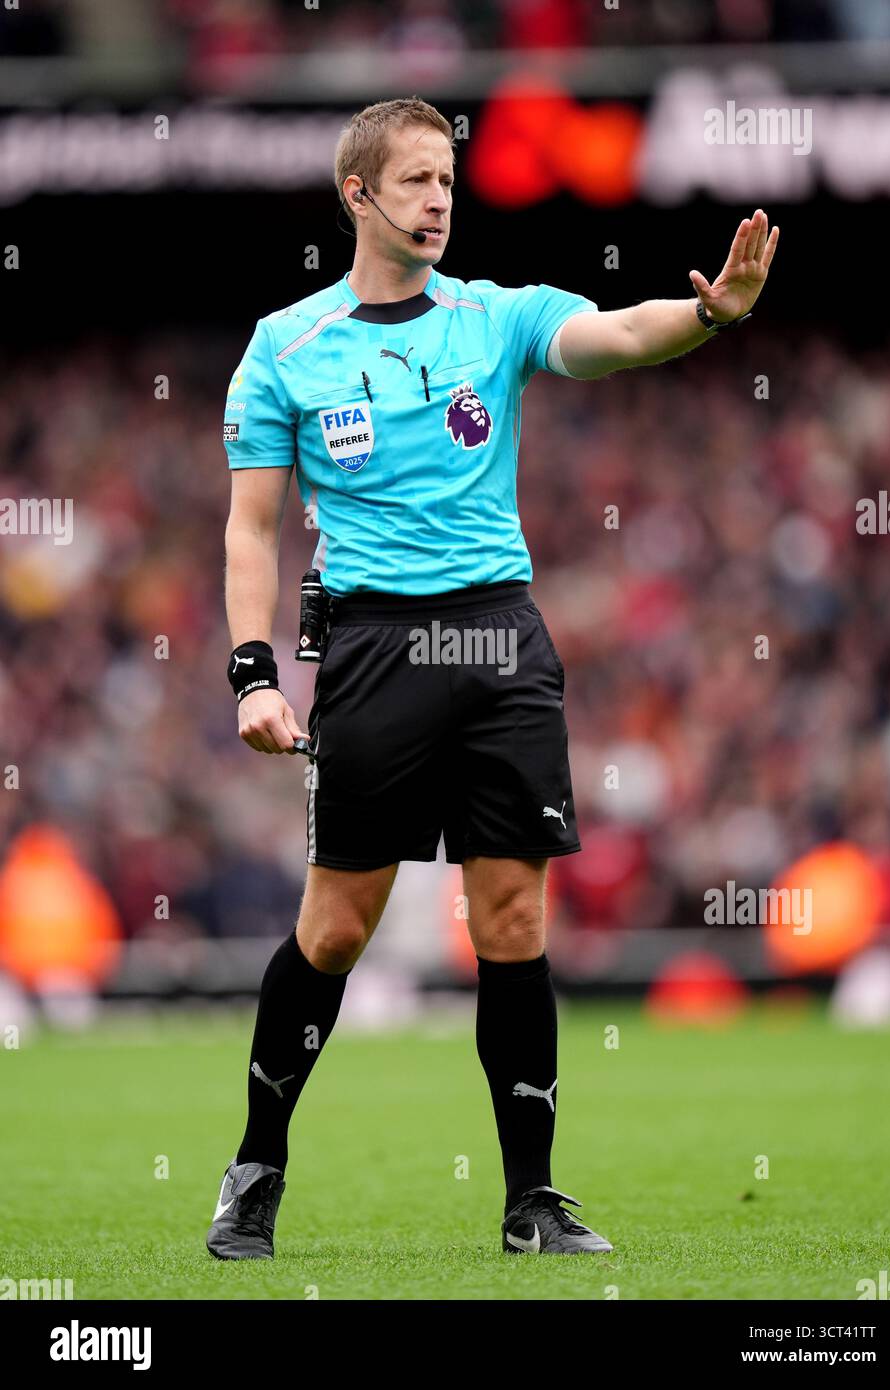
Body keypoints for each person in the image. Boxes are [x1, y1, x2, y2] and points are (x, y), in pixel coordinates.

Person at [207, 97, 779, 1260]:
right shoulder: (286, 346)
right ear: (357, 196)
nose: (438, 201)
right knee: (335, 926)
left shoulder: (494, 316)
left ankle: (530, 1201)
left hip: (499, 638)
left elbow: (616, 336)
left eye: (448, 182)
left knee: (512, 916)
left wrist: (709, 317)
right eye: (416, 181)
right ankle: (255, 1170)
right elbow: (250, 530)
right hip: (372, 650)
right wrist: (253, 675)